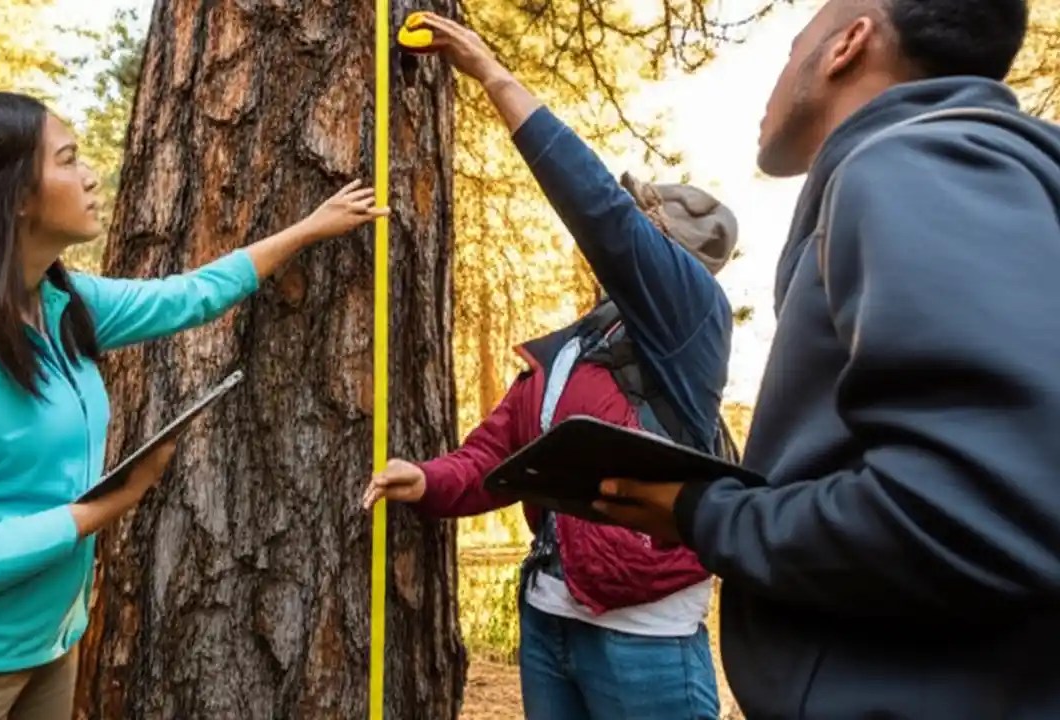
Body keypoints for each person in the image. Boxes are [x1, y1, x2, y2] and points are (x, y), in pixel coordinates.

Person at [0, 92, 387, 719]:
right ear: (15, 195)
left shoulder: (58, 303)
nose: (89, 175)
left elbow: (189, 296)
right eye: (68, 160)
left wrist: (308, 229)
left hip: (44, 653)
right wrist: (106, 506)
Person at [591, 1, 1060, 717]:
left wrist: (704, 514)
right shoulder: (979, 175)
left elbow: (975, 508)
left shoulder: (915, 165)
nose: (775, 78)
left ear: (848, 44)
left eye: (790, 47)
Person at [362, 14, 736, 719]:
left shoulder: (693, 325)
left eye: (644, 224)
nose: (627, 231)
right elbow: (493, 457)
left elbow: (601, 216)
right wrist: (427, 480)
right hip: (550, 623)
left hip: (645, 644)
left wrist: (492, 75)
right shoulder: (567, 349)